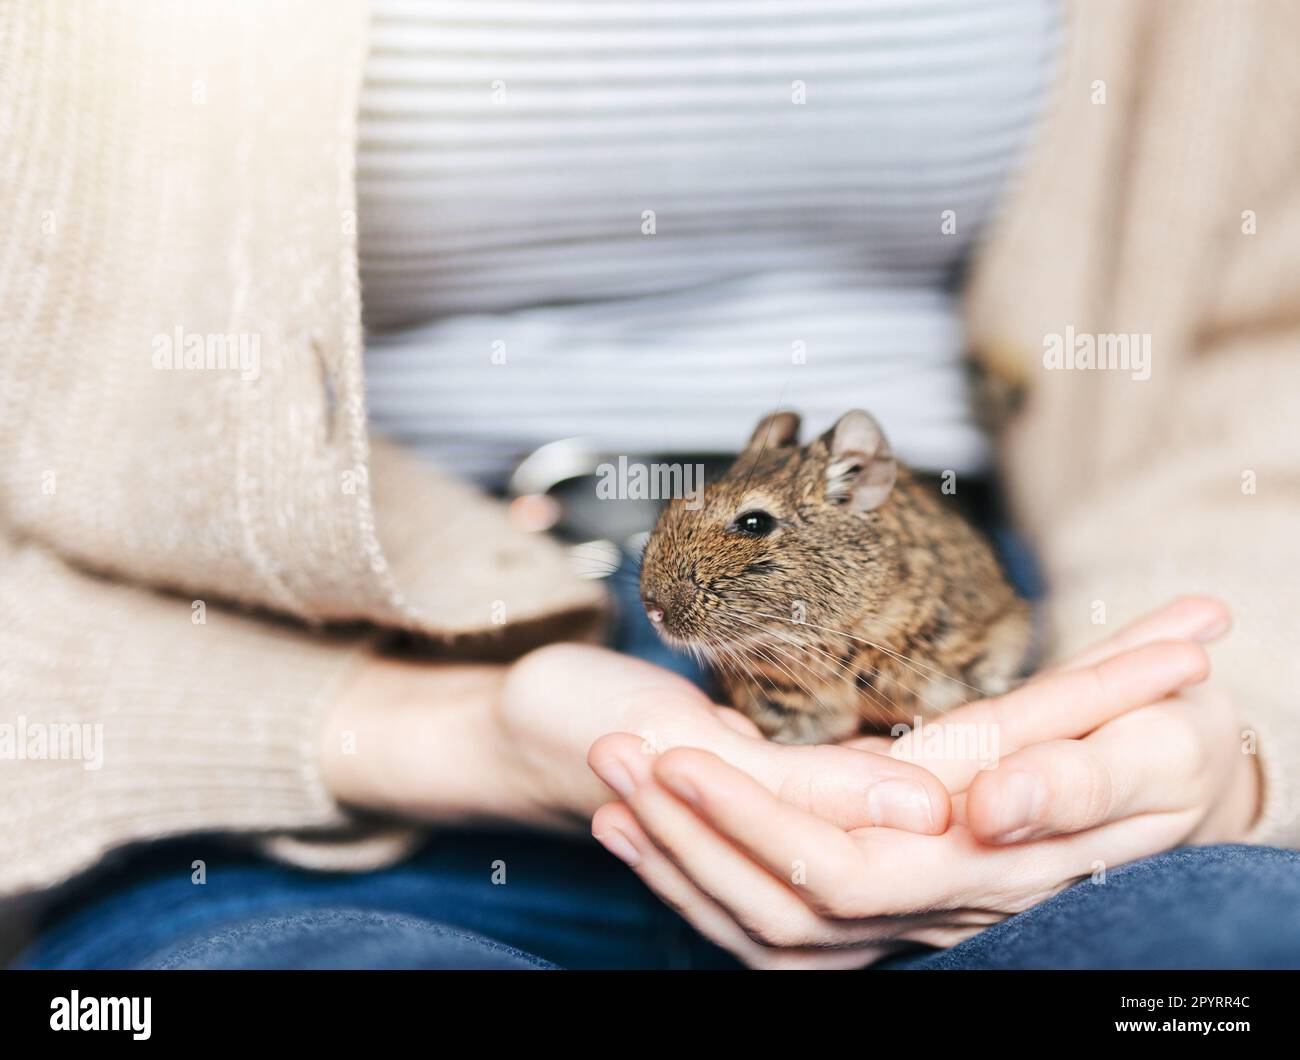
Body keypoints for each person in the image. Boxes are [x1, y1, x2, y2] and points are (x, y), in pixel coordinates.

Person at [4, 0, 1299, 969]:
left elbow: (1259, 356)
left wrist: (1213, 741)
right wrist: (425, 735)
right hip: (350, 751)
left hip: (1026, 709)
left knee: (1236, 948)